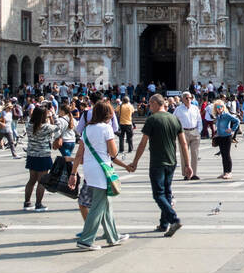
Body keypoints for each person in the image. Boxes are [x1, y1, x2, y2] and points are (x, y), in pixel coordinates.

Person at [128, 93, 191, 236]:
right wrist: (187, 164)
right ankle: (164, 224)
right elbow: (183, 143)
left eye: (150, 104)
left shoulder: (152, 119)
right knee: (167, 192)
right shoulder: (174, 119)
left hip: (157, 162)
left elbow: (143, 143)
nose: (149, 107)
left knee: (158, 194)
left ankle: (174, 219)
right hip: (171, 162)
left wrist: (135, 162)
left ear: (156, 103)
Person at [72, 99, 132, 250]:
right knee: (98, 206)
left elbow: (79, 154)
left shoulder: (87, 129)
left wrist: (73, 173)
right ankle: (85, 240)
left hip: (90, 170)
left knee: (106, 204)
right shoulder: (106, 129)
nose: (113, 114)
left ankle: (112, 236)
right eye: (111, 112)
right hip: (101, 170)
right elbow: (113, 152)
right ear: (107, 114)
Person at [23, 104, 61, 210]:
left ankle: (27, 202)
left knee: (32, 180)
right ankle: (38, 204)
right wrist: (53, 115)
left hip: (31, 154)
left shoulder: (28, 125)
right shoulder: (46, 127)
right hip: (43, 155)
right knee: (42, 181)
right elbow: (59, 127)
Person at [173, 91, 202, 179]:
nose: (188, 99)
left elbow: (199, 120)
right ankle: (186, 174)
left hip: (194, 131)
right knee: (183, 154)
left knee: (195, 153)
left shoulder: (195, 108)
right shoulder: (178, 109)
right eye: (186, 97)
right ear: (182, 99)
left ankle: (194, 173)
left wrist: (199, 131)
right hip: (183, 132)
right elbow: (174, 120)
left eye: (190, 97)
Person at [213, 100, 239, 179]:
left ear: (223, 107)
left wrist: (232, 129)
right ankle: (225, 172)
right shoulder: (218, 116)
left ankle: (229, 172)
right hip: (220, 136)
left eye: (221, 107)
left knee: (227, 154)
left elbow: (237, 121)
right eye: (218, 107)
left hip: (227, 137)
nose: (219, 108)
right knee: (223, 155)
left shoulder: (226, 115)